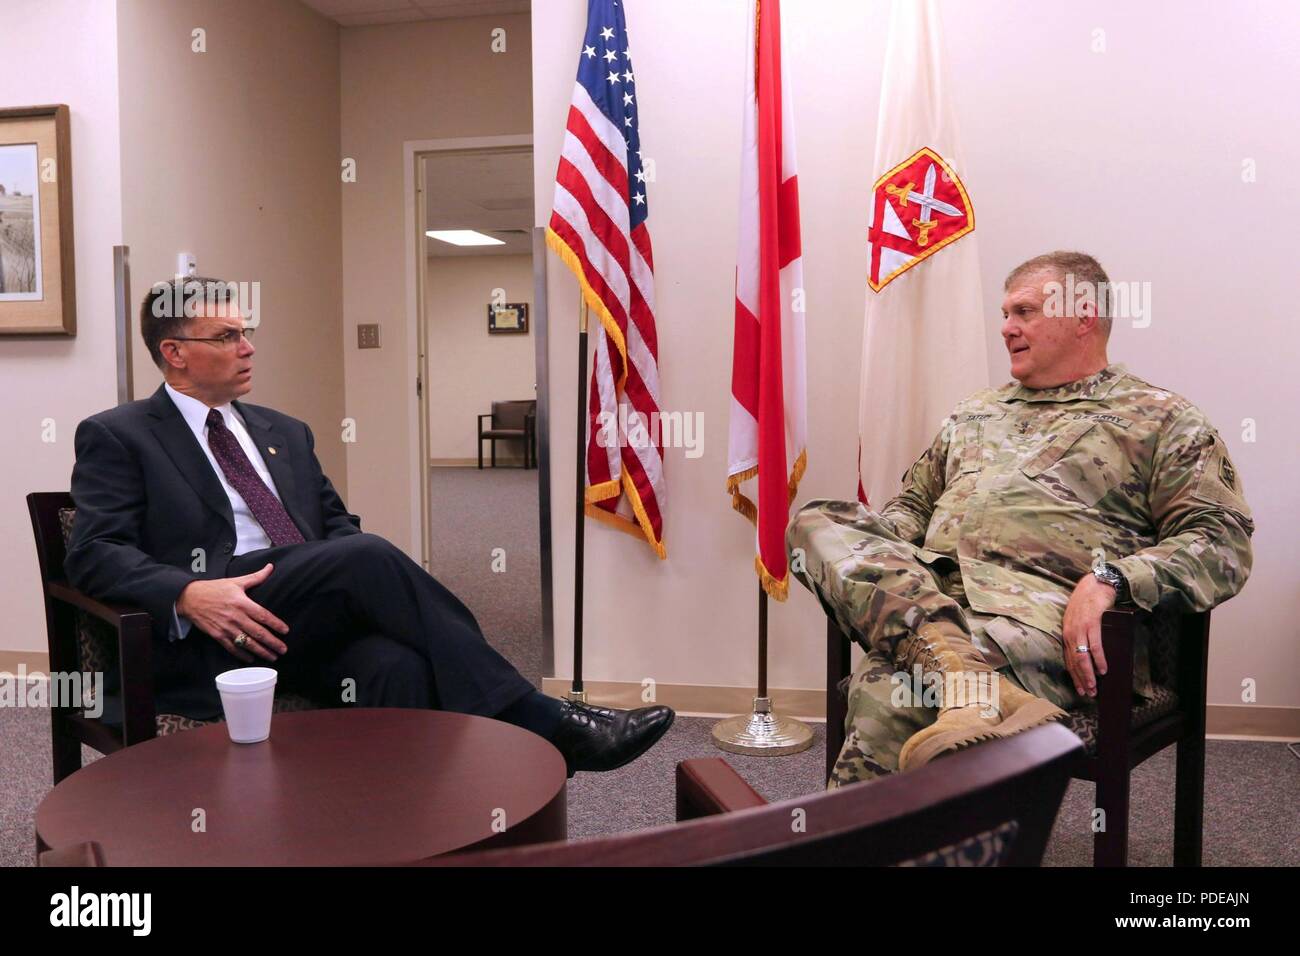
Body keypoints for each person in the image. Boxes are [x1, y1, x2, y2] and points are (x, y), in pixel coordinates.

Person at [65, 276, 673, 776]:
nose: (248, 347)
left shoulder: (284, 432)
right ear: (174, 352)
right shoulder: (120, 435)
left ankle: (399, 831)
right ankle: (535, 719)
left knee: (396, 664)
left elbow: (335, 524)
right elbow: (93, 553)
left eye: (246, 333)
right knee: (368, 557)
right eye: (227, 336)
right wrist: (188, 592)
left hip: (307, 622)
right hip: (218, 627)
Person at [789, 251, 1253, 786]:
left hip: (1040, 621)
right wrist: (869, 558)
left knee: (889, 685)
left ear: (1084, 314)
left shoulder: (1160, 418)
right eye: (1005, 314)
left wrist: (1112, 580)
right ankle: (961, 676)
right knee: (818, 519)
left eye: (1024, 312)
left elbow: (1223, 541)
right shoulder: (975, 412)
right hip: (934, 596)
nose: (1007, 328)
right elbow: (910, 509)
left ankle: (866, 835)